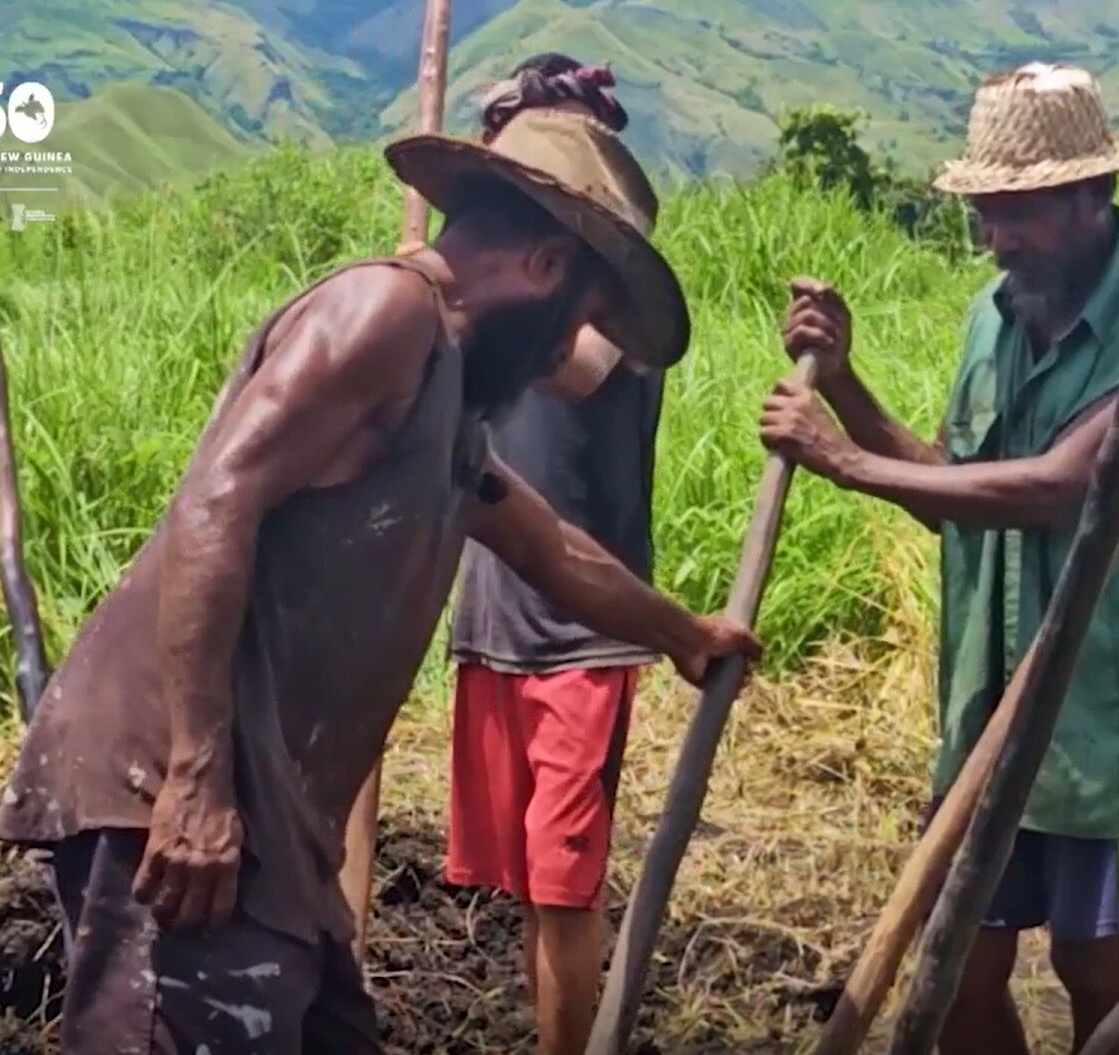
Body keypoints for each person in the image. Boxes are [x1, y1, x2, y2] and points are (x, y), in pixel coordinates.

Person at [0, 108, 760, 1055]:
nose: (569, 354)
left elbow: (551, 550)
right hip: (177, 787)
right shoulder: (384, 315)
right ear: (546, 269)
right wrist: (196, 775)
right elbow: (212, 504)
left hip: (275, 818)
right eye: (580, 321)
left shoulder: (450, 400)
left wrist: (685, 633)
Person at [758, 64, 1119, 1055]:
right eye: (986, 212)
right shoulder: (988, 316)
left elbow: (1059, 493)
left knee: (1097, 972)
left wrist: (840, 461)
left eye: (1019, 213)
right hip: (981, 708)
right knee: (958, 962)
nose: (997, 236)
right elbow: (956, 491)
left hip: (1102, 718)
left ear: (1093, 196)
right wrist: (844, 388)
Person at [439, 54, 664, 1055]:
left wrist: (467, 299)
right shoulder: (499, 280)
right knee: (528, 883)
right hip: (494, 613)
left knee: (564, 883)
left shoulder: (611, 296)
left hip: (584, 629)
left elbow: (571, 370)